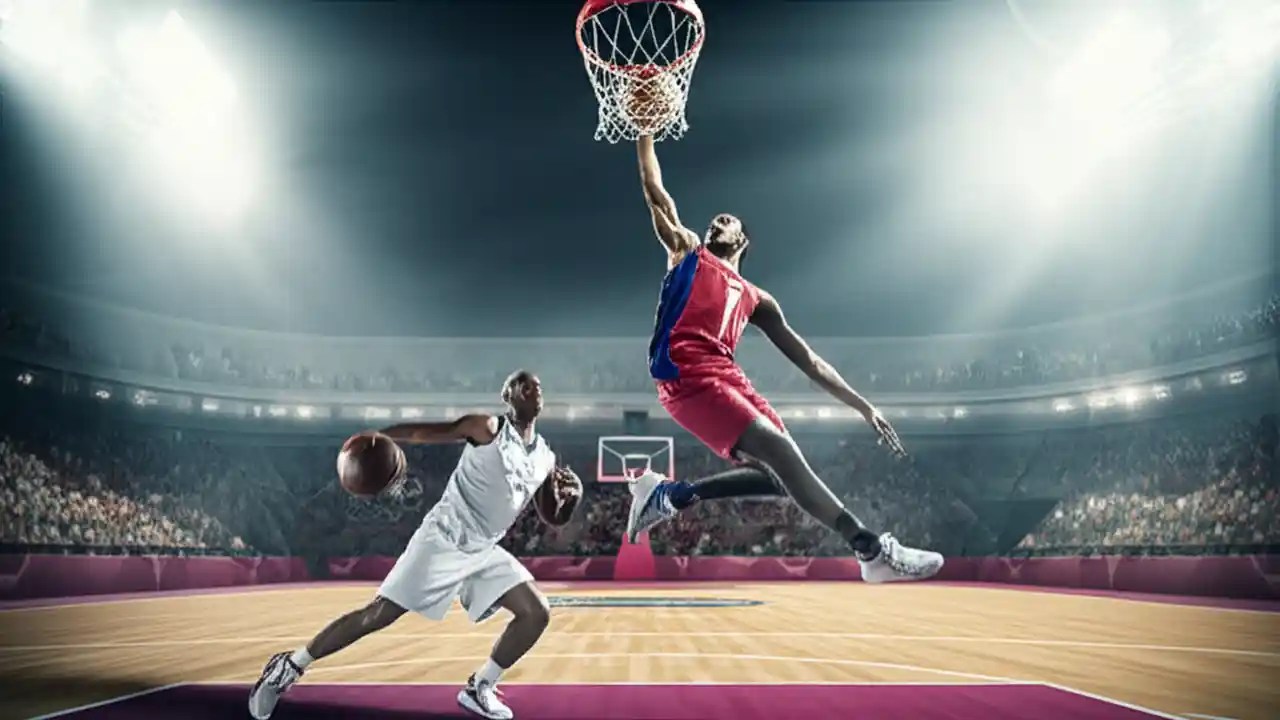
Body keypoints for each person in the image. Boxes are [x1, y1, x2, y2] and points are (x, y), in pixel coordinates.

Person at [625, 134, 942, 583]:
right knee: (780, 451)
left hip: (728, 376)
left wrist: (864, 406)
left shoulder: (758, 299)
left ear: (743, 241)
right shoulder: (686, 250)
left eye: (730, 220)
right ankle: (869, 549)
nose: (721, 219)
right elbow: (654, 189)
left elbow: (810, 362)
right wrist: (645, 131)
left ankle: (671, 496)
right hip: (686, 375)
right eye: (718, 218)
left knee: (781, 476)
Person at [249, 370, 581, 720]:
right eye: (523, 384)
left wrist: (572, 498)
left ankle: (479, 687)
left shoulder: (545, 456)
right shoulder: (486, 428)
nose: (533, 389)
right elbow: (425, 432)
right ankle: (288, 666)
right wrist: (377, 438)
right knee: (378, 614)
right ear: (507, 396)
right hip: (444, 536)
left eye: (537, 386)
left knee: (535, 613)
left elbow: (552, 516)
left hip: (483, 547)